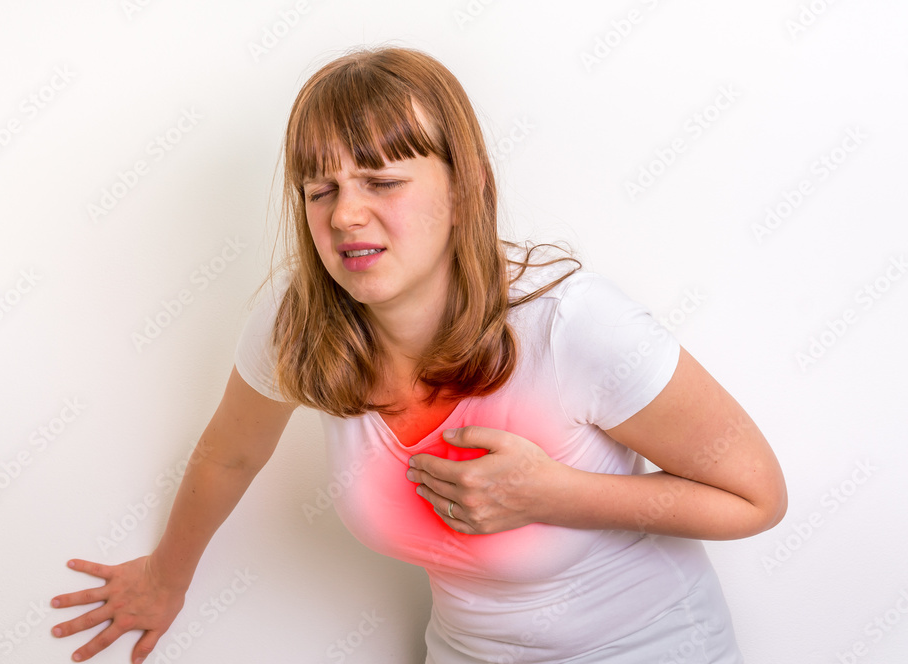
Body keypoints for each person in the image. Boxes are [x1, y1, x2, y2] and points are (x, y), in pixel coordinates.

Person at [51, 46, 787, 663]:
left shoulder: (572, 324)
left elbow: (756, 497)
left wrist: (552, 494)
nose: (345, 214)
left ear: (465, 190)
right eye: (321, 189)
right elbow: (231, 454)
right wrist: (166, 579)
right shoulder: (299, 323)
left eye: (382, 181)